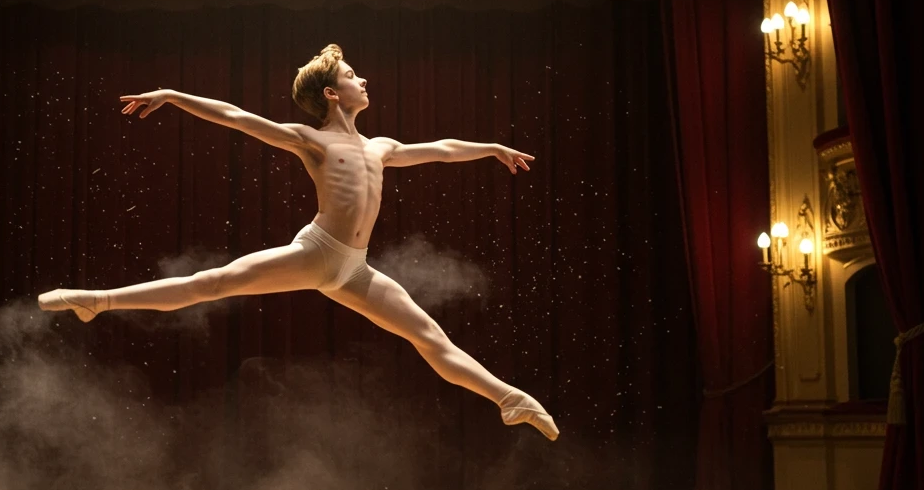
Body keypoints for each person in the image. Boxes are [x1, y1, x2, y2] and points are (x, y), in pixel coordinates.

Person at [39, 44, 558, 440]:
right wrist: (174, 96)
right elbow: (238, 118)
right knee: (212, 283)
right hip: (316, 251)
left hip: (354, 269)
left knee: (429, 337)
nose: (364, 80)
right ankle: (97, 301)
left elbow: (441, 150)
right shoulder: (312, 140)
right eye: (353, 76)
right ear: (332, 94)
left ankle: (508, 399)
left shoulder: (381, 147)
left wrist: (490, 148)